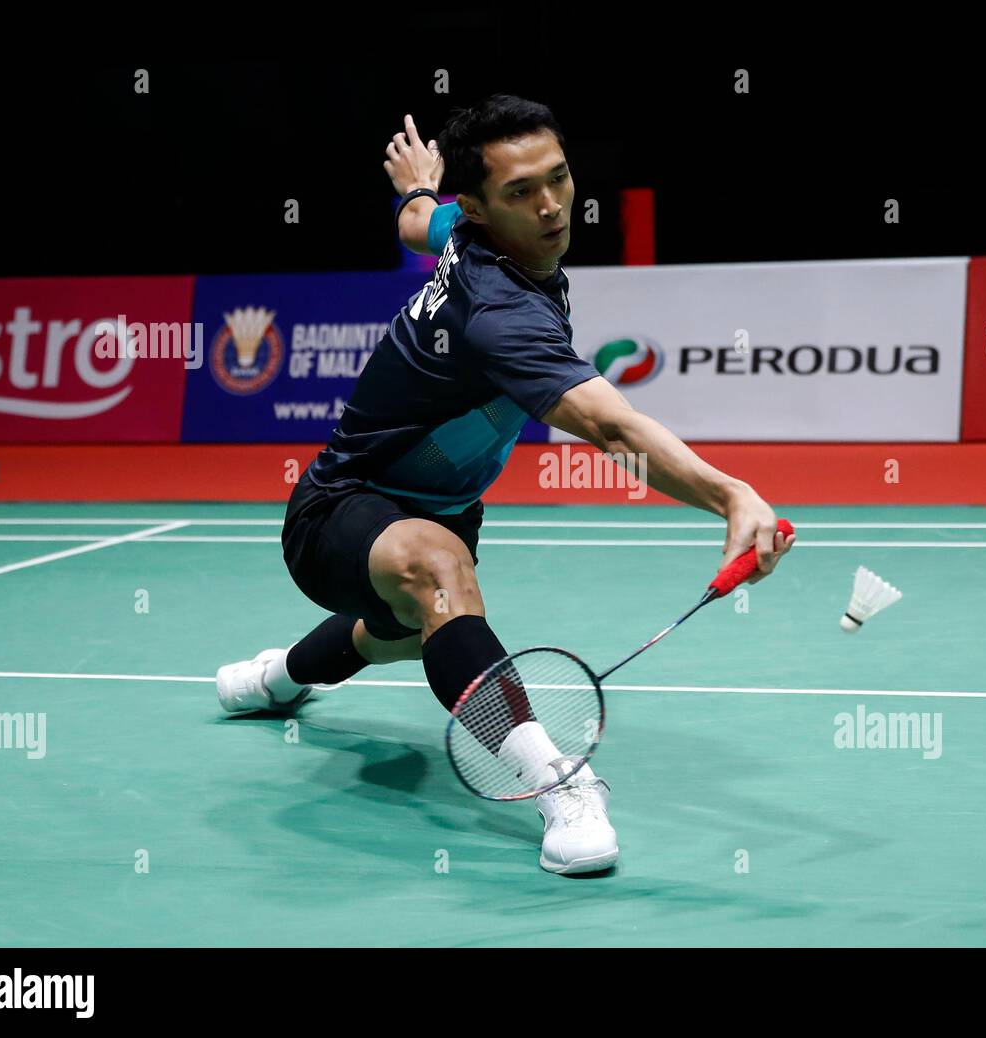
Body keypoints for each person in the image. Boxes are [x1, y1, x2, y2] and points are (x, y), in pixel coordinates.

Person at [216, 95, 794, 875]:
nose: (552, 206)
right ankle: (559, 783)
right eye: (522, 192)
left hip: (439, 506)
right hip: (338, 508)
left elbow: (418, 224)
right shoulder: (497, 310)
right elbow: (613, 429)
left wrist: (418, 189)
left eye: (558, 178)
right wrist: (731, 496)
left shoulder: (478, 234)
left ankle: (277, 679)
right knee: (438, 573)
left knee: (391, 633)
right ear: (483, 209)